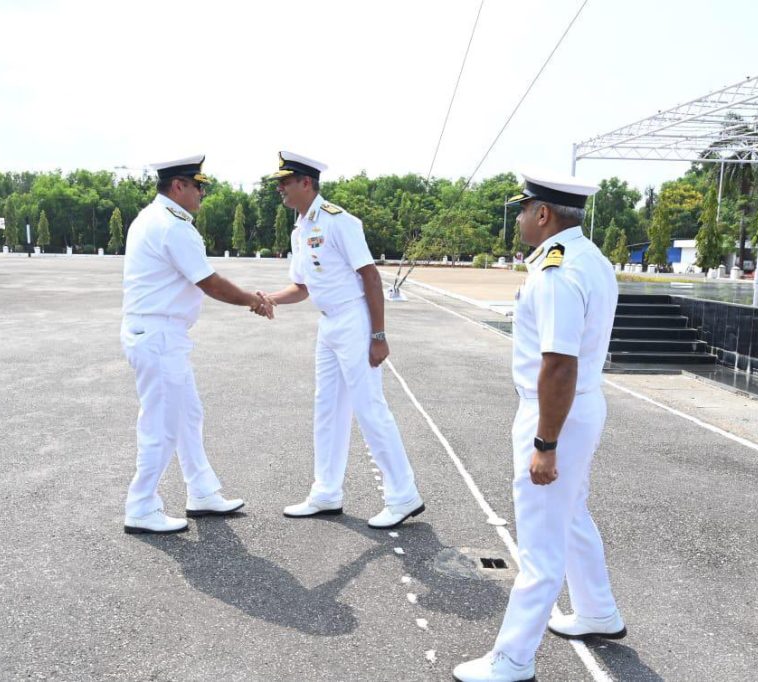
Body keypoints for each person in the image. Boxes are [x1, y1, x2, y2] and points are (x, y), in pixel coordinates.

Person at [453, 172, 625, 682]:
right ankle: (597, 610)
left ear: (544, 214)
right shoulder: (590, 258)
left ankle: (513, 658)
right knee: (570, 514)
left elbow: (558, 364)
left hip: (555, 412)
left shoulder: (556, 271)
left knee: (540, 541)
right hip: (580, 405)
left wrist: (544, 444)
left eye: (524, 209)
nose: (521, 217)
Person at [259, 151, 424, 529]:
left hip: (354, 320)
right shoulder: (300, 229)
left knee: (369, 406)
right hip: (329, 323)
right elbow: (301, 287)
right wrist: (269, 299)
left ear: (306, 182)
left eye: (285, 181)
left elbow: (370, 277)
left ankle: (403, 496)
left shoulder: (339, 221)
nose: (280, 188)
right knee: (328, 408)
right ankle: (326, 492)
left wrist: (378, 335)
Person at [121, 155, 271, 535]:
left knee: (188, 416)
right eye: (198, 185)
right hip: (159, 336)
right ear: (178, 187)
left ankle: (202, 492)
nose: (202, 193)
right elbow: (209, 282)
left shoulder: (151, 217)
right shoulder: (172, 226)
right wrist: (253, 300)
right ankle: (141, 506)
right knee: (162, 424)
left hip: (161, 334)